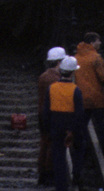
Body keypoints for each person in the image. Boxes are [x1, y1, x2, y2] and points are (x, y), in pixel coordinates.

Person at [45, 56, 86, 191]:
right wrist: (74, 131)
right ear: (73, 72)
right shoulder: (76, 90)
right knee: (79, 149)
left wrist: (47, 129)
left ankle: (61, 186)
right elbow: (79, 114)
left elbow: (46, 111)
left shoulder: (51, 88)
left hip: (56, 124)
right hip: (72, 125)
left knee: (58, 156)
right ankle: (77, 175)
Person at [75, 32, 104, 169]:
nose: (100, 43)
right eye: (98, 41)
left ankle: (81, 151)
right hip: (96, 99)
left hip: (81, 99)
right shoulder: (96, 58)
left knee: (81, 126)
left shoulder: (76, 57)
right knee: (102, 127)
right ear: (92, 43)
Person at [38, 46, 67, 185]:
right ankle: (49, 173)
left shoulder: (43, 76)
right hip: (52, 115)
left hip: (42, 113)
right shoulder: (56, 79)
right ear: (59, 62)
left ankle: (42, 173)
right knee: (53, 145)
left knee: (44, 143)